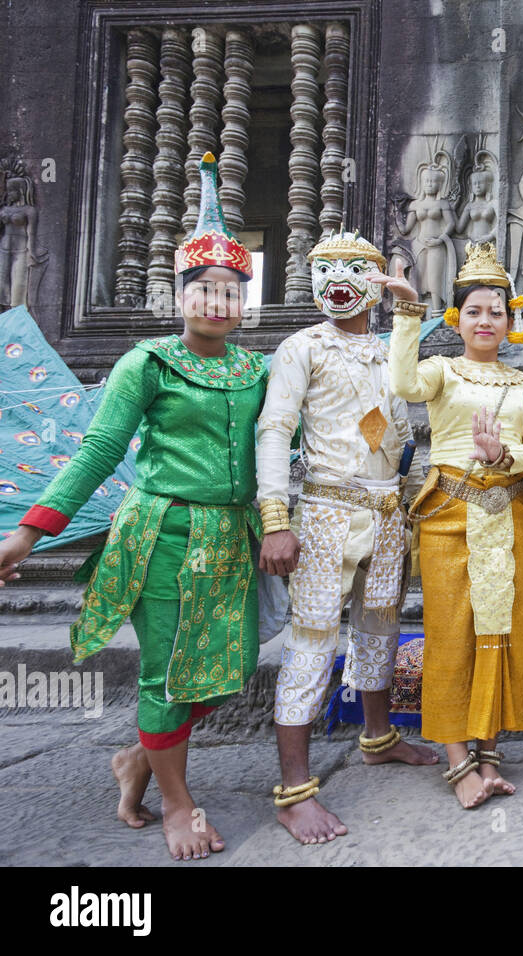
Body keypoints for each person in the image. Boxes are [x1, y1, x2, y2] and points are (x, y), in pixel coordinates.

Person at [0, 152, 264, 861]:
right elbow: (95, 454)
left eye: (231, 291)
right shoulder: (144, 364)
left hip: (233, 537)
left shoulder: (258, 370)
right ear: (180, 296)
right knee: (167, 673)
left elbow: (285, 448)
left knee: (226, 668)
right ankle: (180, 804)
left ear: (245, 300)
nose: (218, 302)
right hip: (162, 535)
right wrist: (26, 536)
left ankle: (136, 761)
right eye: (204, 289)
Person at [257, 230, 436, 845]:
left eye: (353, 269)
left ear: (375, 284)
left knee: (381, 628)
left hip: (388, 512)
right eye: (325, 268)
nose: (337, 279)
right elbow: (275, 431)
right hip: (326, 511)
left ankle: (378, 737)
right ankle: (295, 790)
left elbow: (412, 394)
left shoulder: (390, 351)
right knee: (312, 639)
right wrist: (276, 519)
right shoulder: (301, 346)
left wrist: (411, 309)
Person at [389, 241, 523, 808]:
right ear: (457, 318)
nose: (487, 320)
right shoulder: (440, 371)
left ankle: (488, 751)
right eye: (475, 310)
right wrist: (408, 312)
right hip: (448, 515)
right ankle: (457, 759)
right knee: (451, 633)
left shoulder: (522, 383)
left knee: (501, 634)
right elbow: (402, 384)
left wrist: (503, 456)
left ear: (511, 319)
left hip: (508, 517)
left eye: (497, 311)